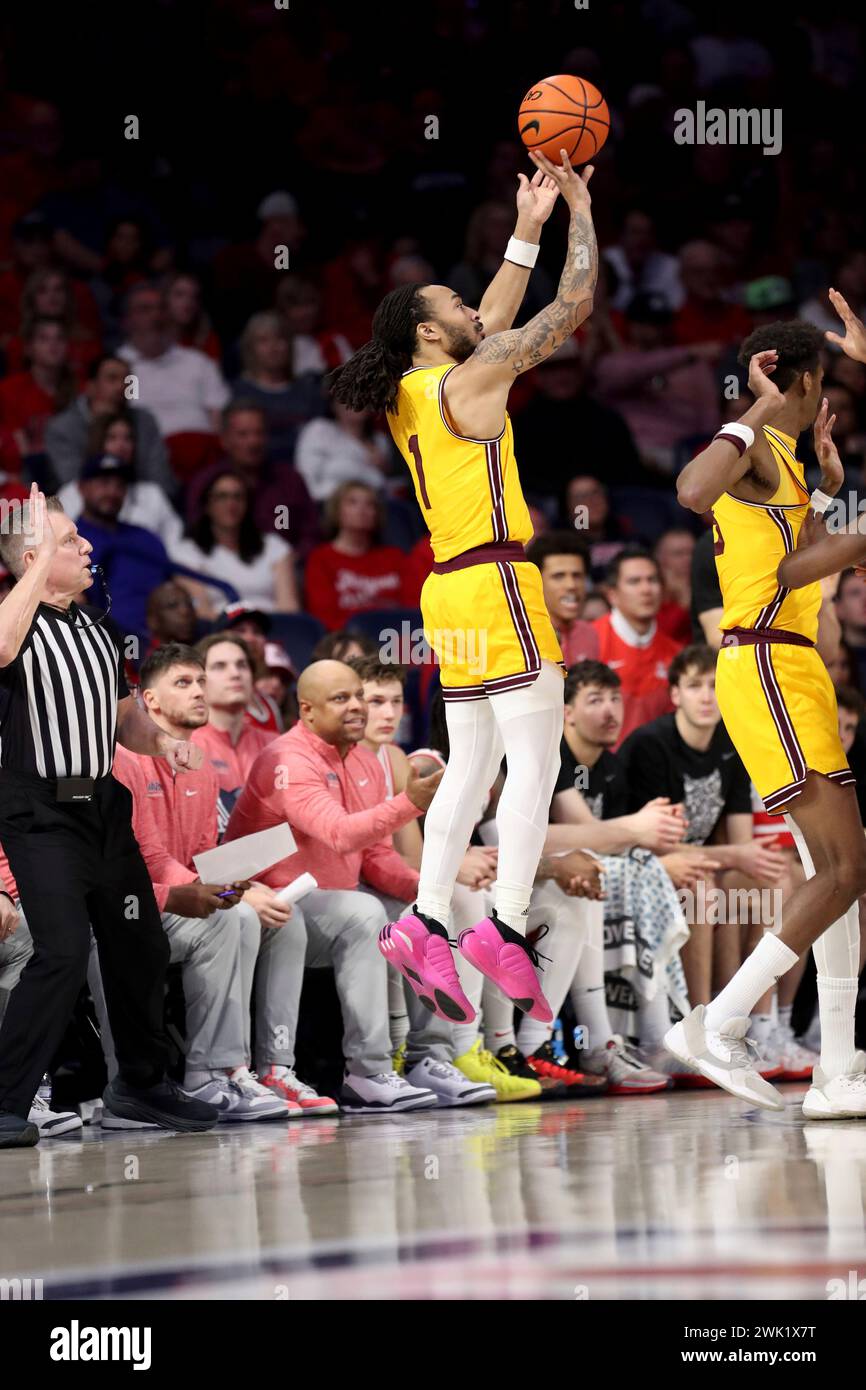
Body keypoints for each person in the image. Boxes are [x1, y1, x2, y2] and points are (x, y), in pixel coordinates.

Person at [329, 146, 598, 1024]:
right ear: (430, 331)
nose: (470, 308)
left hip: (446, 590)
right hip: (497, 582)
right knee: (535, 761)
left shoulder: (413, 387)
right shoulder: (472, 378)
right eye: (452, 303)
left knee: (472, 768)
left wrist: (526, 228)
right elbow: (577, 304)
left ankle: (428, 918)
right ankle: (508, 926)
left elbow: (490, 316)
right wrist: (579, 216)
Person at [670, 312, 866, 1118]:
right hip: (761, 660)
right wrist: (751, 409)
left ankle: (836, 1070)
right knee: (848, 869)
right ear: (805, 378)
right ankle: (716, 1022)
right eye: (827, 379)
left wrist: (827, 490)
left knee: (840, 875)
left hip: (793, 661)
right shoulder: (749, 448)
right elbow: (689, 490)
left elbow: (797, 564)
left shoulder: (786, 461)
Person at [0, 486, 219, 1146]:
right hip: (39, 811)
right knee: (61, 951)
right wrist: (35, 557)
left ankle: (141, 1085)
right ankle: (8, 1098)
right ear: (35, 555)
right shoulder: (16, 620)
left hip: (102, 807)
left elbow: (125, 718)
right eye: (71, 541)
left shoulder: (98, 628)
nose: (88, 547)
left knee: (140, 943)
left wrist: (166, 743)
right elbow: (3, 649)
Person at [224, 661, 493, 1111]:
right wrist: (411, 802)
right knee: (363, 912)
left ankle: (430, 1058)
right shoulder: (287, 760)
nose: (356, 707)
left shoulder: (366, 762)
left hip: (331, 906)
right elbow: (339, 833)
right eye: (340, 699)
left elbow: (374, 854)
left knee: (423, 915)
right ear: (306, 710)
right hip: (269, 901)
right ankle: (369, 1072)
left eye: (358, 697)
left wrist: (422, 891)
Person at [110, 645, 294, 1122]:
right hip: (132, 905)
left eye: (199, 681)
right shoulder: (124, 761)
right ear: (148, 700)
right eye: (182, 683)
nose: (198, 691)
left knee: (248, 918)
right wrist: (224, 891)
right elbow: (150, 859)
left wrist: (237, 885)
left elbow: (199, 858)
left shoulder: (202, 767)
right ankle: (211, 1071)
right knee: (233, 920)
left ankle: (229, 1072)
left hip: (174, 900)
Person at [73, 453, 174, 650]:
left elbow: (171, 585)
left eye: (120, 485)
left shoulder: (146, 538)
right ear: (81, 488)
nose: (112, 491)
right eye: (104, 482)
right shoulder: (69, 539)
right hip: (104, 644)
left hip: (162, 641)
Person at [170, 467, 299, 617]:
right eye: (222, 497)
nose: (231, 504)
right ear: (207, 505)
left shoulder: (275, 547)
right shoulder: (186, 552)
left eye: (238, 497)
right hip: (218, 635)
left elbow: (289, 609)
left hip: (273, 632)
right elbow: (201, 613)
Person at [592, 546, 684, 745]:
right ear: (612, 595)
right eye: (634, 581)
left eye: (652, 580)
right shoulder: (589, 643)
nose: (646, 589)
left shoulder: (676, 654)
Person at [44, 352, 172, 493]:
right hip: (83, 508)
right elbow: (73, 484)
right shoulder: (63, 428)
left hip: (141, 503)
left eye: (127, 381)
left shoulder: (144, 422)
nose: (121, 386)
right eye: (112, 379)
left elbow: (162, 481)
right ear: (90, 386)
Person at [57, 410, 183, 545]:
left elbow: (173, 547)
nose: (121, 446)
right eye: (112, 438)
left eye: (128, 439)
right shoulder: (71, 493)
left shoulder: (152, 494)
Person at [304, 481, 412, 630]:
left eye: (370, 505)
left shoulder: (395, 557)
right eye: (352, 502)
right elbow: (324, 619)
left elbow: (412, 610)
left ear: (377, 514)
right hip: (345, 642)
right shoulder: (321, 559)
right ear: (337, 511)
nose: (362, 510)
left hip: (396, 639)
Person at [191, 634, 276, 822]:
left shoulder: (278, 746)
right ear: (198, 682)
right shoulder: (185, 747)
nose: (235, 674)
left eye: (242, 665)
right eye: (220, 666)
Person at [231, 310, 324, 464]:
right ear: (251, 349)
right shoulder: (239, 392)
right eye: (263, 341)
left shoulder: (309, 392)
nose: (273, 347)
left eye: (279, 339)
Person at [526, 531, 599, 666]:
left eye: (577, 576)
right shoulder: (519, 637)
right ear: (535, 582)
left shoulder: (590, 634)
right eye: (559, 576)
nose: (571, 585)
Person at [295, 399, 392, 502]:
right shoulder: (319, 430)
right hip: (325, 504)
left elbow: (384, 484)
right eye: (348, 397)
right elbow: (306, 479)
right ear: (334, 405)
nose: (357, 402)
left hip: (373, 506)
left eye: (361, 396)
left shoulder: (380, 440)